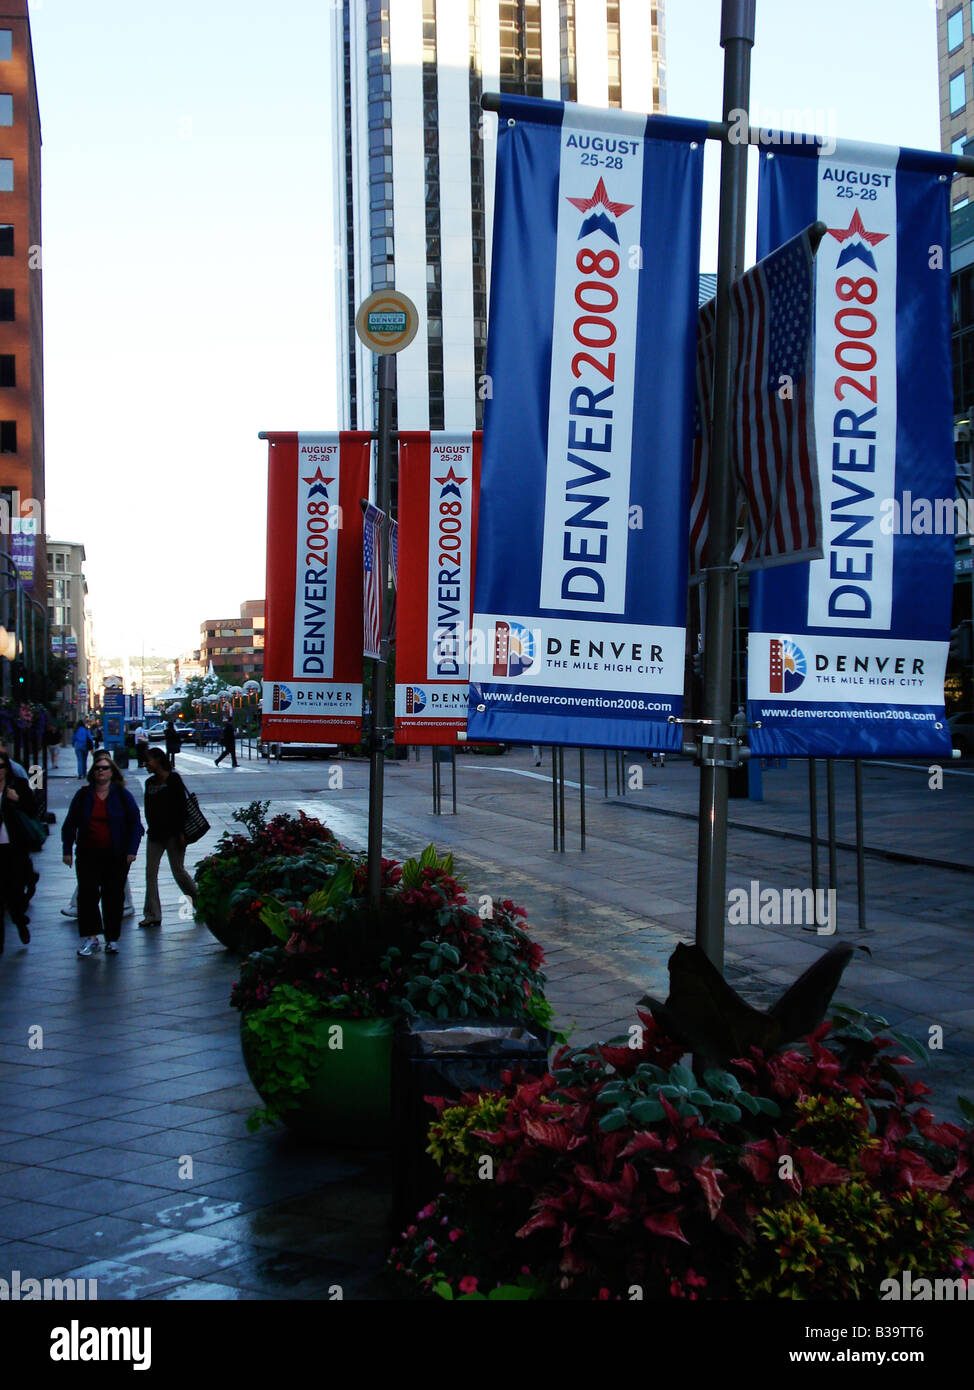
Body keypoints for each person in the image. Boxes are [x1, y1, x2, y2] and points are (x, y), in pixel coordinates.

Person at [62, 751, 143, 958]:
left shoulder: (122, 795)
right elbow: (70, 823)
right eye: (97, 768)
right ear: (93, 772)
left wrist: (132, 850)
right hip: (88, 853)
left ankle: (112, 939)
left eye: (105, 768)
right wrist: (67, 850)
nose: (101, 771)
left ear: (112, 772)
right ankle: (91, 938)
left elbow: (135, 823)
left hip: (115, 854)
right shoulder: (84, 795)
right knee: (87, 896)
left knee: (113, 897)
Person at [140, 747, 198, 928]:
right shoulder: (149, 783)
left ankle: (200, 903)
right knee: (150, 873)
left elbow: (180, 807)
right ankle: (152, 914)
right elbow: (148, 808)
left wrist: (181, 833)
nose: (146, 764)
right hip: (155, 834)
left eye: (148, 760)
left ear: (158, 760)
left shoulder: (174, 779)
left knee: (178, 871)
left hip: (174, 834)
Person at [0, 751, 36, 951]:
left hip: (14, 848)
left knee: (14, 893)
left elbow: (32, 809)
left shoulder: (18, 785)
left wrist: (16, 799)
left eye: (1, 766)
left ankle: (20, 922)